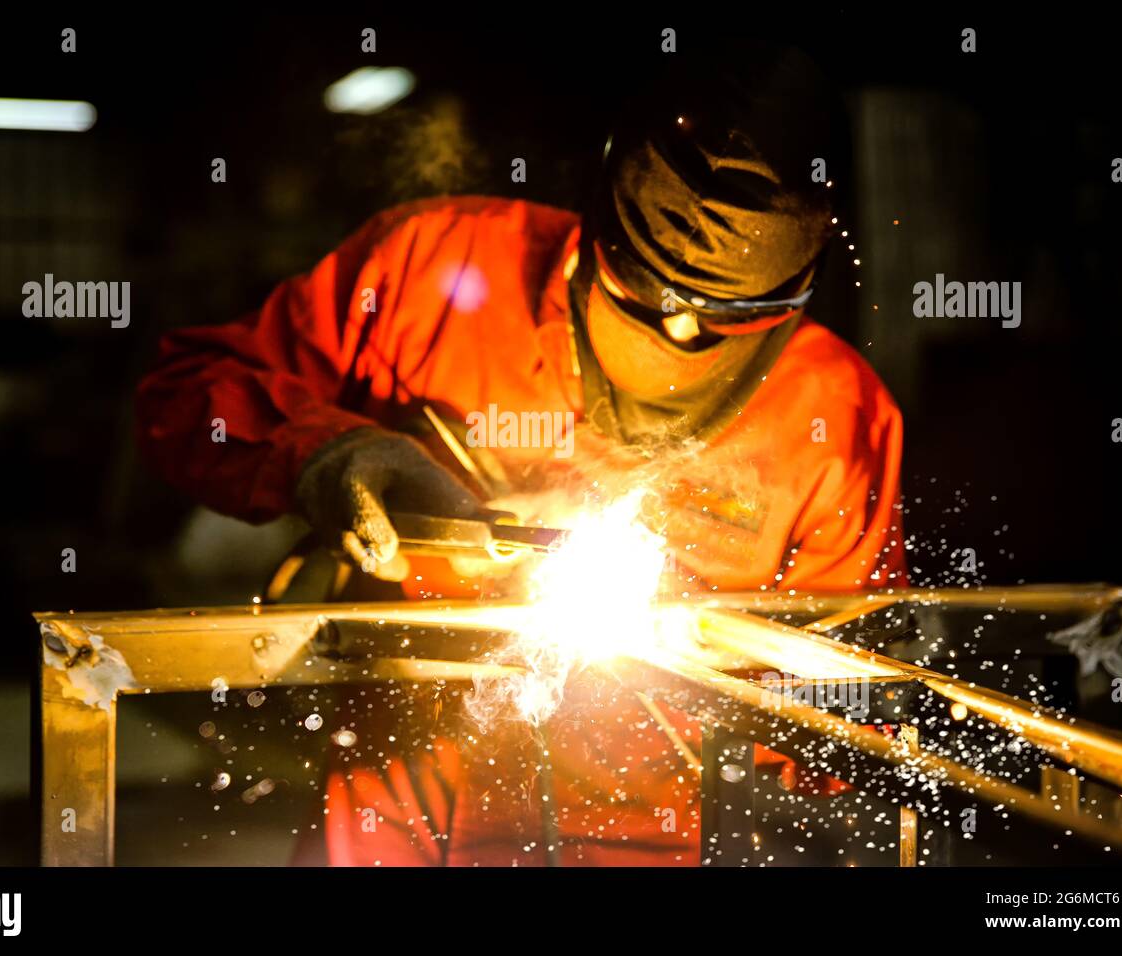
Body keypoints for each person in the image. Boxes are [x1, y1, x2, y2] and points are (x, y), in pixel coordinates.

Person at [136, 47, 905, 865]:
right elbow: (189, 391)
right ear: (598, 226)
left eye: (719, 324)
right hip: (388, 823)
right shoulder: (434, 271)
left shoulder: (836, 417)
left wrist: (782, 702)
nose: (680, 332)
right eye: (646, 301)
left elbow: (837, 722)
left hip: (650, 842)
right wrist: (326, 455)